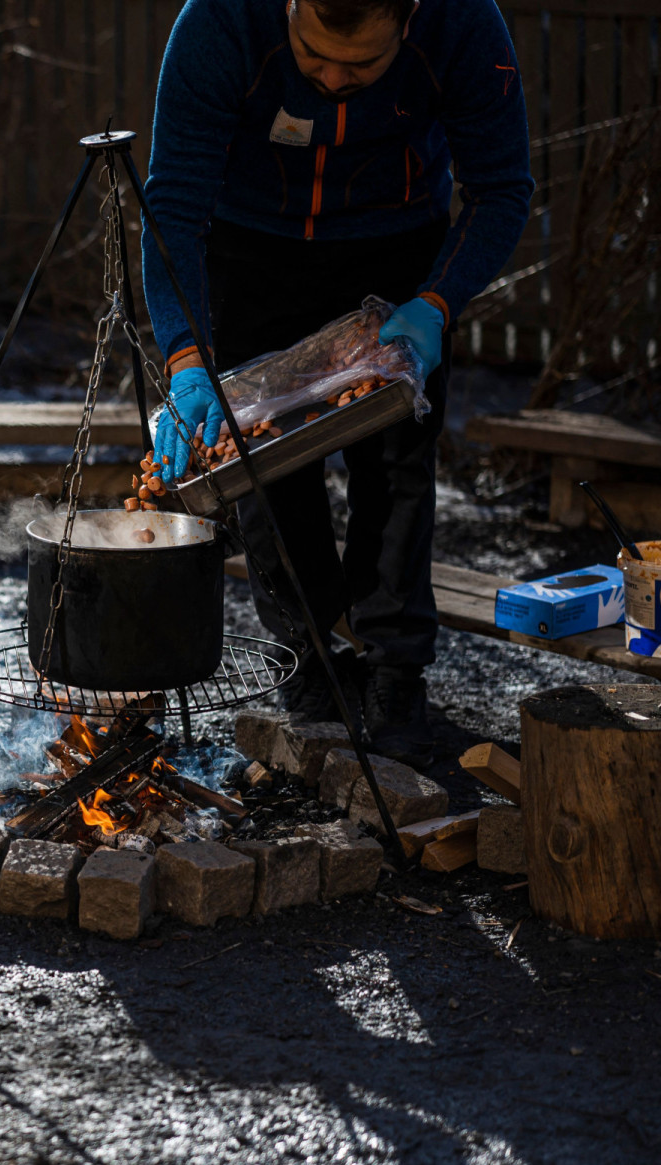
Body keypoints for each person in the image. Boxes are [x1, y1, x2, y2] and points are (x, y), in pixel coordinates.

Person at [141, 0, 531, 764]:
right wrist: (187, 358)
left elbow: (502, 190)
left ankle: (395, 672)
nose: (331, 79)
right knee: (266, 469)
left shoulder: (463, 25)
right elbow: (174, 206)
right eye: (313, 55)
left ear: (409, 16)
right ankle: (310, 663)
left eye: (360, 66)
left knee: (398, 465)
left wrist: (437, 303)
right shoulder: (218, 23)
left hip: (396, 251)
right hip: (253, 249)